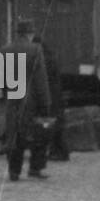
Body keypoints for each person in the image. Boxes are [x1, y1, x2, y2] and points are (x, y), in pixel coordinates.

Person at [3, 19, 50, 182]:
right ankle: (35, 168)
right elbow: (40, 79)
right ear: (30, 34)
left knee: (13, 134)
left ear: (17, 33)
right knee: (36, 133)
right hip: (31, 100)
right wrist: (45, 103)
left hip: (13, 98)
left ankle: (14, 171)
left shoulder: (6, 50)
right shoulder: (35, 50)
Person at [35, 34, 69, 162]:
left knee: (49, 125)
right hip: (56, 96)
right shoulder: (50, 57)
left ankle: (58, 151)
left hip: (50, 96)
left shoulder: (44, 59)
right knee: (56, 124)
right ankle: (60, 151)